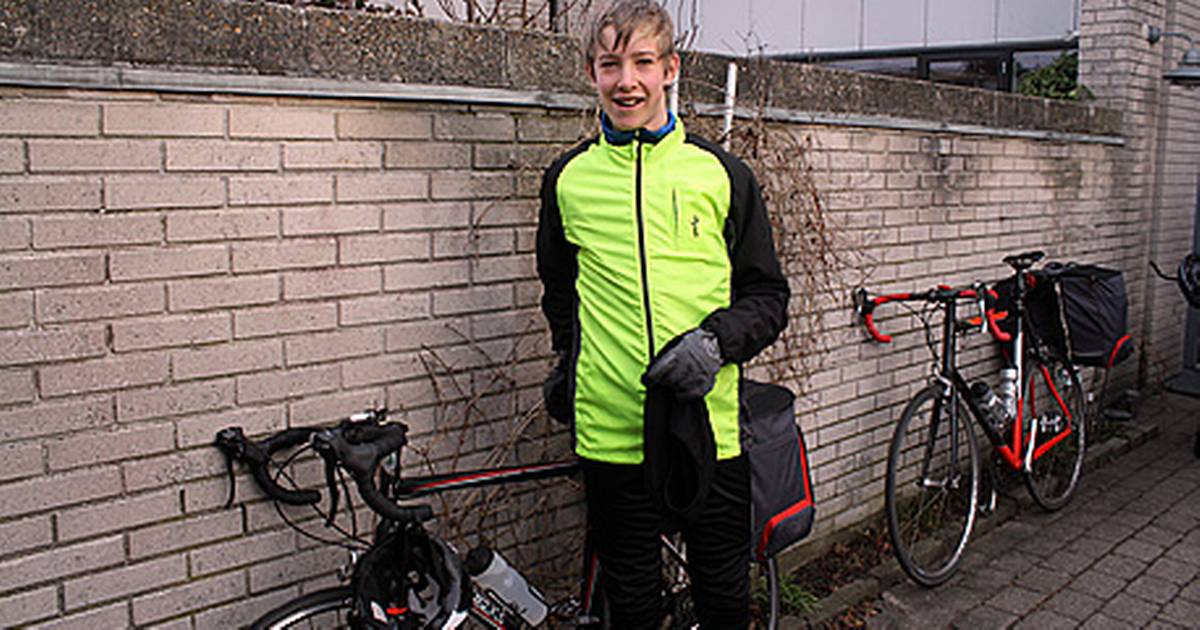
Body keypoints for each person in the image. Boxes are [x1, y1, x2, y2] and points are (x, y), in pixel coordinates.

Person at [535, 1, 790, 627]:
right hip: (611, 432)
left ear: (670, 68)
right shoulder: (567, 180)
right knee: (632, 606)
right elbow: (559, 290)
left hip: (710, 430)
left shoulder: (723, 174)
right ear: (592, 74)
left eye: (642, 62)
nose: (627, 81)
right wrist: (571, 359)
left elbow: (767, 297)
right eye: (610, 65)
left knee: (725, 600)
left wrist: (715, 342)